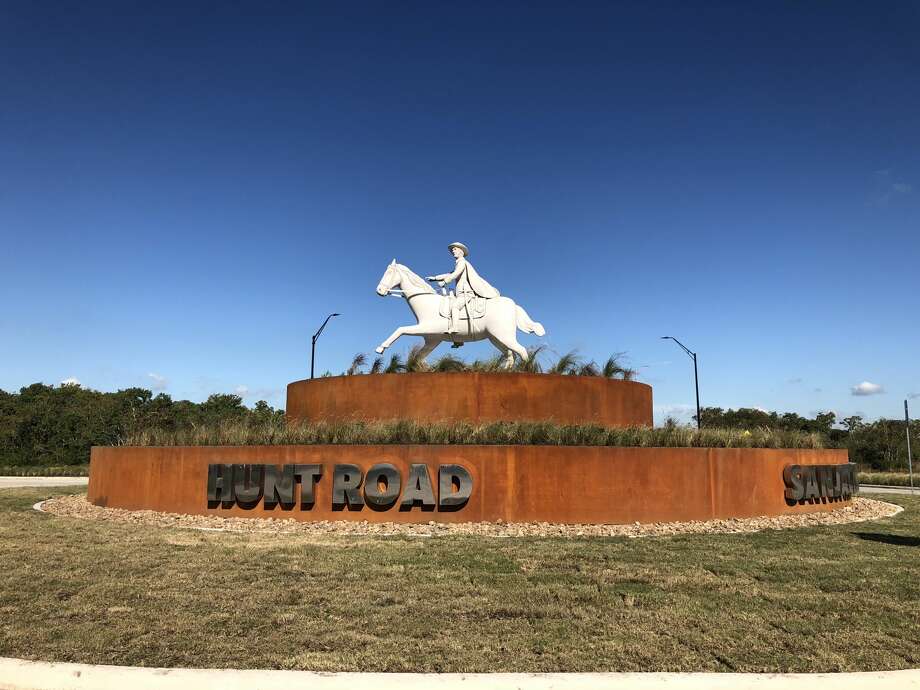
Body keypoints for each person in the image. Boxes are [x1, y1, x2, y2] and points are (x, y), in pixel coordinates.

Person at [427, 242, 500, 342]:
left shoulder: (462, 262)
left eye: (455, 250)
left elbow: (455, 274)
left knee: (455, 307)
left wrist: (445, 282)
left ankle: (455, 328)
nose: (453, 252)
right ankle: (458, 340)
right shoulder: (458, 263)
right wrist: (435, 278)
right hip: (459, 293)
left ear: (461, 251)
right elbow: (450, 273)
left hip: (466, 293)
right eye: (452, 251)